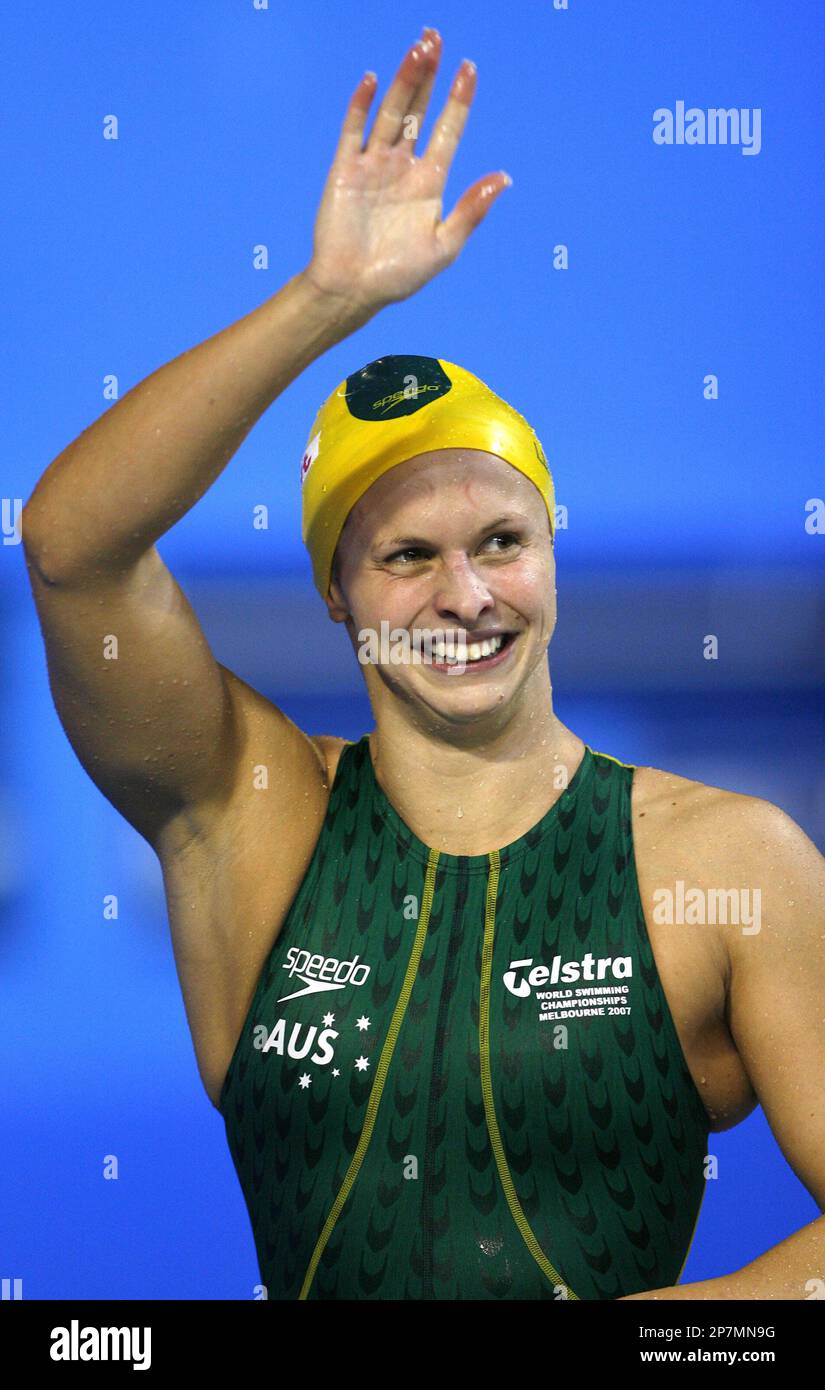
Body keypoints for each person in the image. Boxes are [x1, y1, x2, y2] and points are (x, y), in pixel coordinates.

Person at [21, 28, 825, 1301]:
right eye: (404, 556)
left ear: (551, 555)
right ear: (337, 597)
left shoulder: (727, 861)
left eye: (503, 540)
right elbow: (70, 545)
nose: (466, 595)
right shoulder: (252, 815)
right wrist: (325, 301)